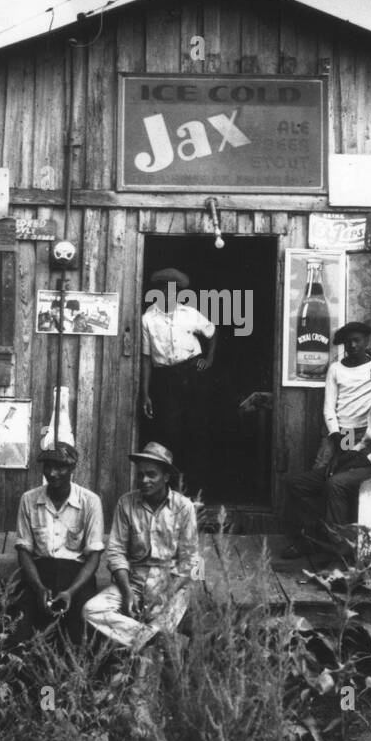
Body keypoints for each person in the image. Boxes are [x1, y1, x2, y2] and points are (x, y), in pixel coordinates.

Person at [284, 344, 371, 556]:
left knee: (336, 484)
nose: (370, 370)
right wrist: (343, 453)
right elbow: (356, 430)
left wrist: (350, 462)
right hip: (348, 438)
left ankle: (339, 554)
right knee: (300, 481)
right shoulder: (361, 383)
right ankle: (312, 539)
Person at [82, 442, 199, 651]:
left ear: (166, 477)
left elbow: (191, 561)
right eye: (140, 474)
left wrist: (166, 594)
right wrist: (127, 593)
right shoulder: (126, 503)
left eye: (151, 474)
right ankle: (151, 638)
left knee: (163, 620)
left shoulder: (184, 507)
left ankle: (148, 640)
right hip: (134, 582)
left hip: (171, 585)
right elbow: (116, 553)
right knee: (92, 610)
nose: (144, 480)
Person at [13, 442, 104, 645]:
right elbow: (24, 551)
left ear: (73, 468)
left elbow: (94, 557)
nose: (53, 473)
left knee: (80, 632)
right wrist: (38, 588)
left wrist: (71, 592)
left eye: (60, 467)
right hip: (39, 573)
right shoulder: (28, 499)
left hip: (77, 576)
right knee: (21, 626)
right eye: (48, 467)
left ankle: (76, 675)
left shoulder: (90, 501)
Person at [139, 267, 218, 492]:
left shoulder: (190, 314)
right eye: (164, 290)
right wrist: (145, 394)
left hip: (192, 374)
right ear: (158, 292)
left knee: (197, 428)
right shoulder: (148, 319)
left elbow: (212, 333)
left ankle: (197, 489)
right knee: (170, 431)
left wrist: (209, 360)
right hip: (166, 380)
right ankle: (172, 488)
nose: (168, 294)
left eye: (173, 290)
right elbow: (146, 359)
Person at [313, 321, 371, 470]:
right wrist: (335, 434)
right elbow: (329, 407)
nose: (353, 345)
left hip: (364, 430)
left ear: (366, 341)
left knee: (349, 469)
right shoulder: (336, 368)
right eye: (348, 342)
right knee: (322, 468)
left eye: (357, 340)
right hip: (341, 430)